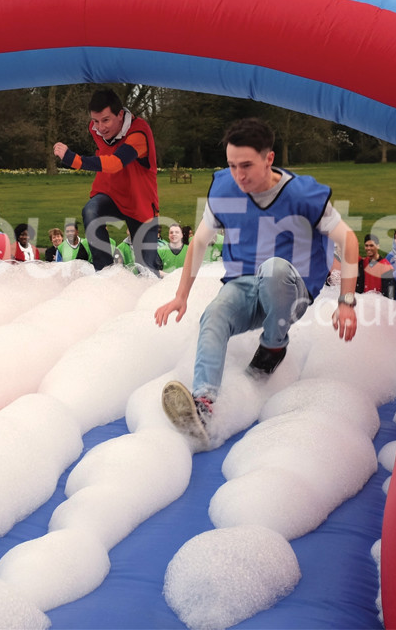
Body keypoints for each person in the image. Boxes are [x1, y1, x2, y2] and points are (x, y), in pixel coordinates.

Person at [154, 117, 359, 446]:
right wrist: (181, 296)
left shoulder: (302, 194)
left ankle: (273, 346)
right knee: (214, 315)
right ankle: (203, 405)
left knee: (273, 269)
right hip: (244, 284)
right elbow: (200, 242)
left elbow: (348, 240)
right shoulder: (225, 189)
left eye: (247, 165)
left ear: (269, 158)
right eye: (232, 165)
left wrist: (346, 302)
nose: (239, 175)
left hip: (290, 287)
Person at [53, 88, 161, 274]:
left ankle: (153, 280)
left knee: (148, 270)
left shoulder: (139, 133)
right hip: (111, 196)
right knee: (91, 210)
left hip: (139, 203)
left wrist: (74, 160)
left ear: (120, 115)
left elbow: (115, 163)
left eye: (105, 120)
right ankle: (106, 272)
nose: (100, 128)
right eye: (95, 121)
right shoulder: (95, 129)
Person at [356, 234, 395, 298]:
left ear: (378, 246)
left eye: (371, 245)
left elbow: (390, 293)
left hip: (379, 301)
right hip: (364, 300)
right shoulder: (363, 262)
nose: (368, 248)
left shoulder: (386, 266)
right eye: (366, 246)